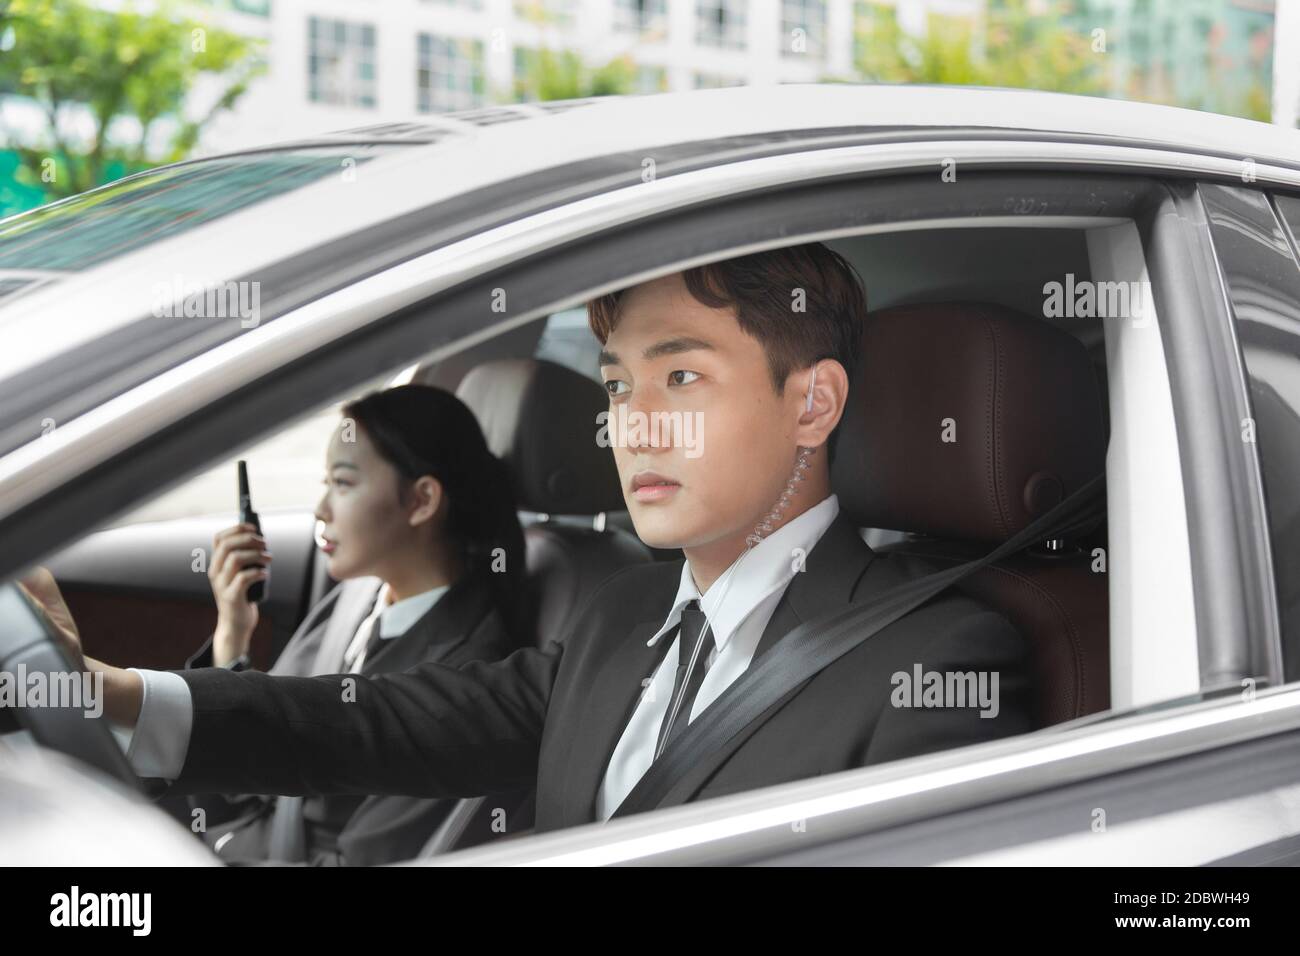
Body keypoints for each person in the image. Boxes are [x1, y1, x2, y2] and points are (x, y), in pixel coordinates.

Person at [21, 241, 1034, 838]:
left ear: (812, 402)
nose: (632, 422)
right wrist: (104, 690)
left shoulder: (937, 660)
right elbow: (373, 721)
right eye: (615, 383)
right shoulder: (619, 617)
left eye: (680, 377)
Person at [146, 384, 528, 864]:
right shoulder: (355, 600)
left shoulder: (467, 672)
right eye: (326, 483)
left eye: (343, 484)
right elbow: (261, 748)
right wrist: (233, 633)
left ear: (422, 500)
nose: (321, 509)